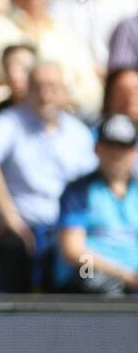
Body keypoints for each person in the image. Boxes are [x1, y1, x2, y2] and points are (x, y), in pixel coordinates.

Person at [0, 61, 97, 291]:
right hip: (15, 228)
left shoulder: (79, 134)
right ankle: (16, 323)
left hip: (63, 231)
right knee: (14, 252)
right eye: (38, 86)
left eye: (52, 87)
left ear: (65, 92)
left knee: (82, 269)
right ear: (27, 90)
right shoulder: (10, 122)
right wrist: (9, 214)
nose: (45, 94)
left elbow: (93, 183)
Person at [55, 113, 138, 294]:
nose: (116, 153)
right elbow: (73, 250)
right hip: (92, 273)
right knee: (91, 276)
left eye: (123, 147)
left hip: (133, 275)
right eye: (110, 146)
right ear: (97, 148)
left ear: (133, 151)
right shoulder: (78, 191)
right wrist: (123, 274)